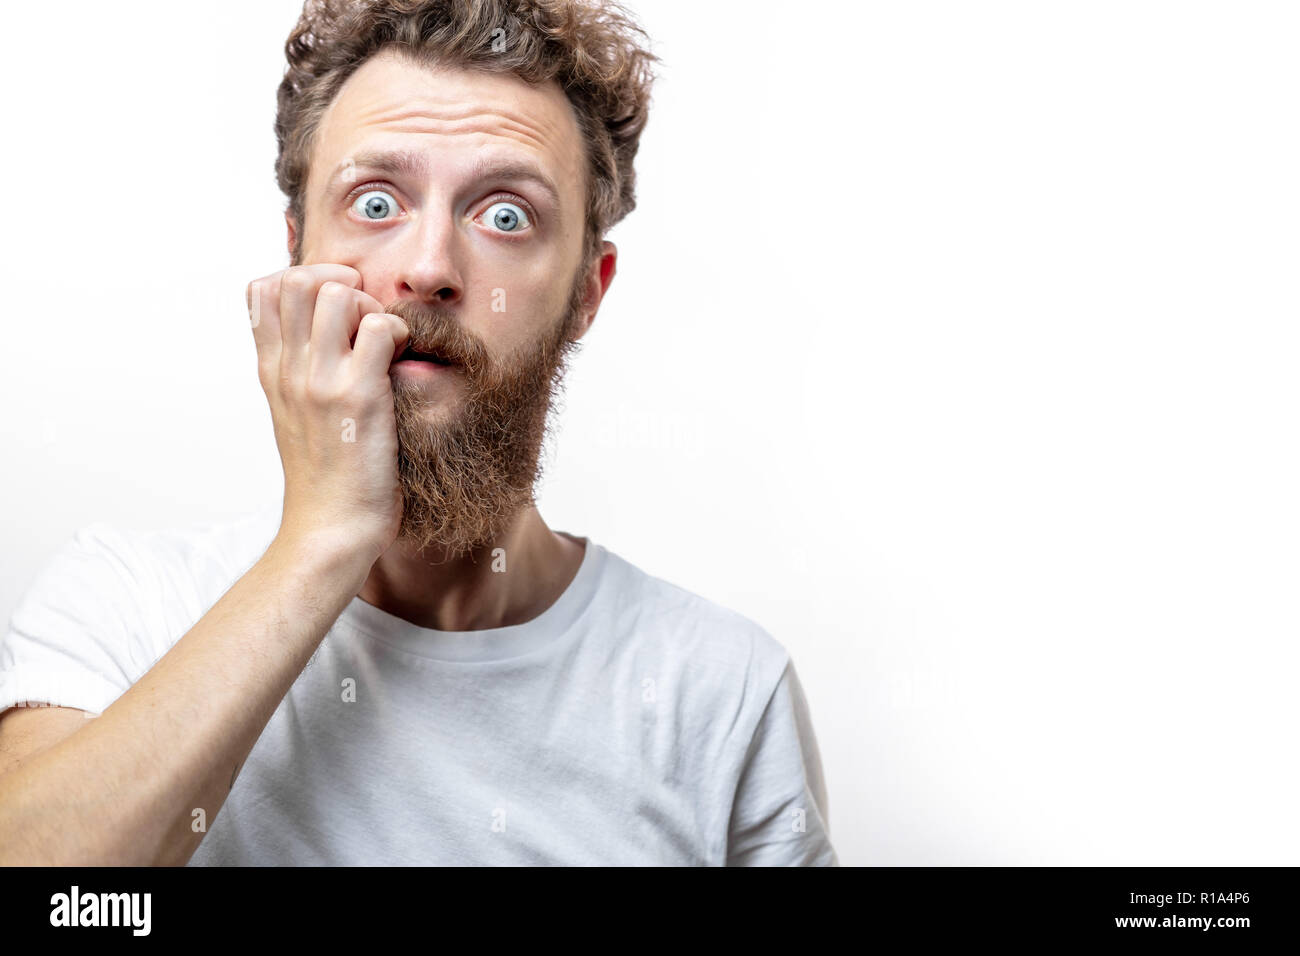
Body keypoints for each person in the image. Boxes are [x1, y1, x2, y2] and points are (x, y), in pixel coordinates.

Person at [0, 0, 838, 866]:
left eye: (505, 214)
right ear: (298, 250)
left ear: (589, 288)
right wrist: (324, 542)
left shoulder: (725, 692)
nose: (430, 268)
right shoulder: (126, 608)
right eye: (374, 201)